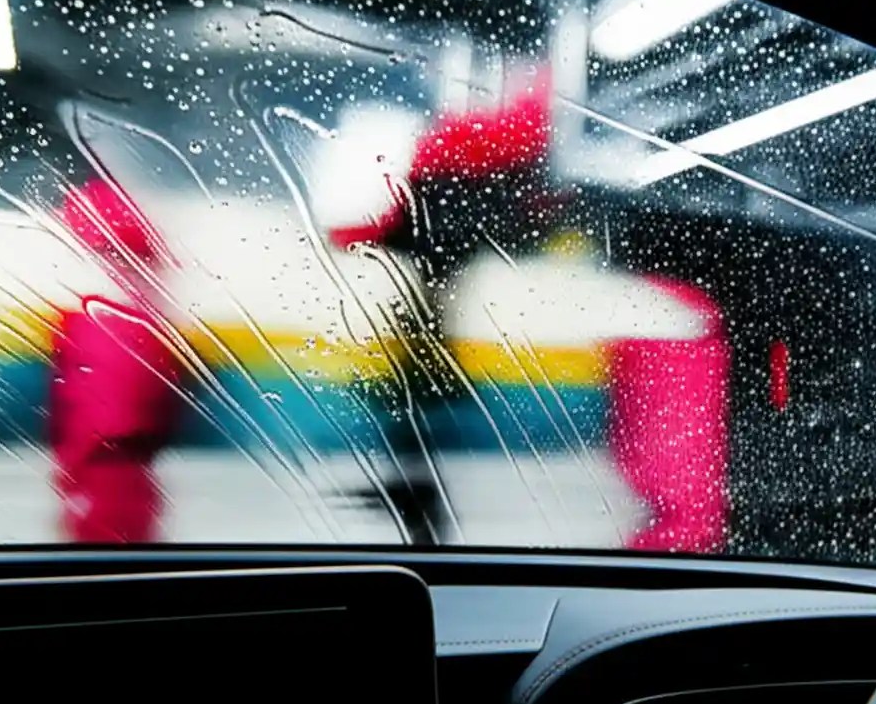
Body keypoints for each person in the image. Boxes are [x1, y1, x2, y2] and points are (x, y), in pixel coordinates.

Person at [311, 66, 731, 552]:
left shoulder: (466, 163)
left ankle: (415, 485)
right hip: (440, 307)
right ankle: (415, 483)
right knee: (419, 382)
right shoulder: (484, 162)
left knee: (418, 383)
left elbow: (406, 222)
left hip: (436, 313)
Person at [47, 176, 183, 543]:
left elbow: (106, 411)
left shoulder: (103, 324)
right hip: (113, 468)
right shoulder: (125, 324)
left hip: (108, 468)